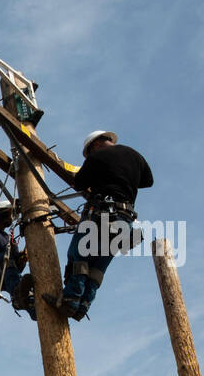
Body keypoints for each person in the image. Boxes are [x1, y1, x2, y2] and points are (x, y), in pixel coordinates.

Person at [47, 130, 153, 320]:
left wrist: (97, 173)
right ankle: (82, 307)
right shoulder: (136, 156)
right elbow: (148, 181)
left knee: (78, 256)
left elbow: (79, 183)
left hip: (101, 213)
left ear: (94, 145)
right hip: (125, 220)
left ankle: (71, 301)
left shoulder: (98, 157)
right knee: (97, 267)